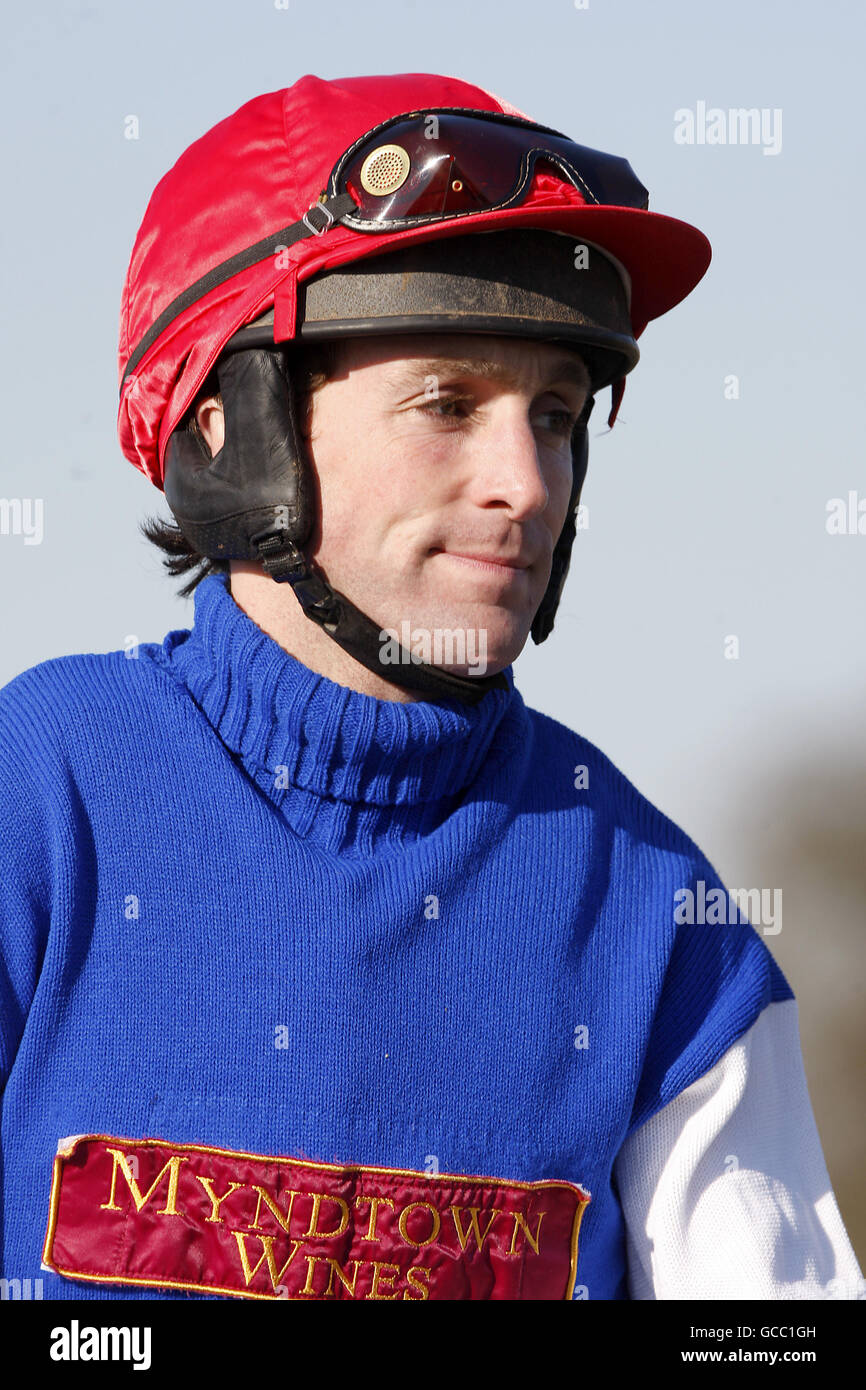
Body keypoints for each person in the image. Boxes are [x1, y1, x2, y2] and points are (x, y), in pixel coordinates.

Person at [0, 71, 861, 1303]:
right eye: (446, 403)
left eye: (556, 414)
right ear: (227, 431)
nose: (526, 480)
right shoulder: (37, 795)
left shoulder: (663, 920)